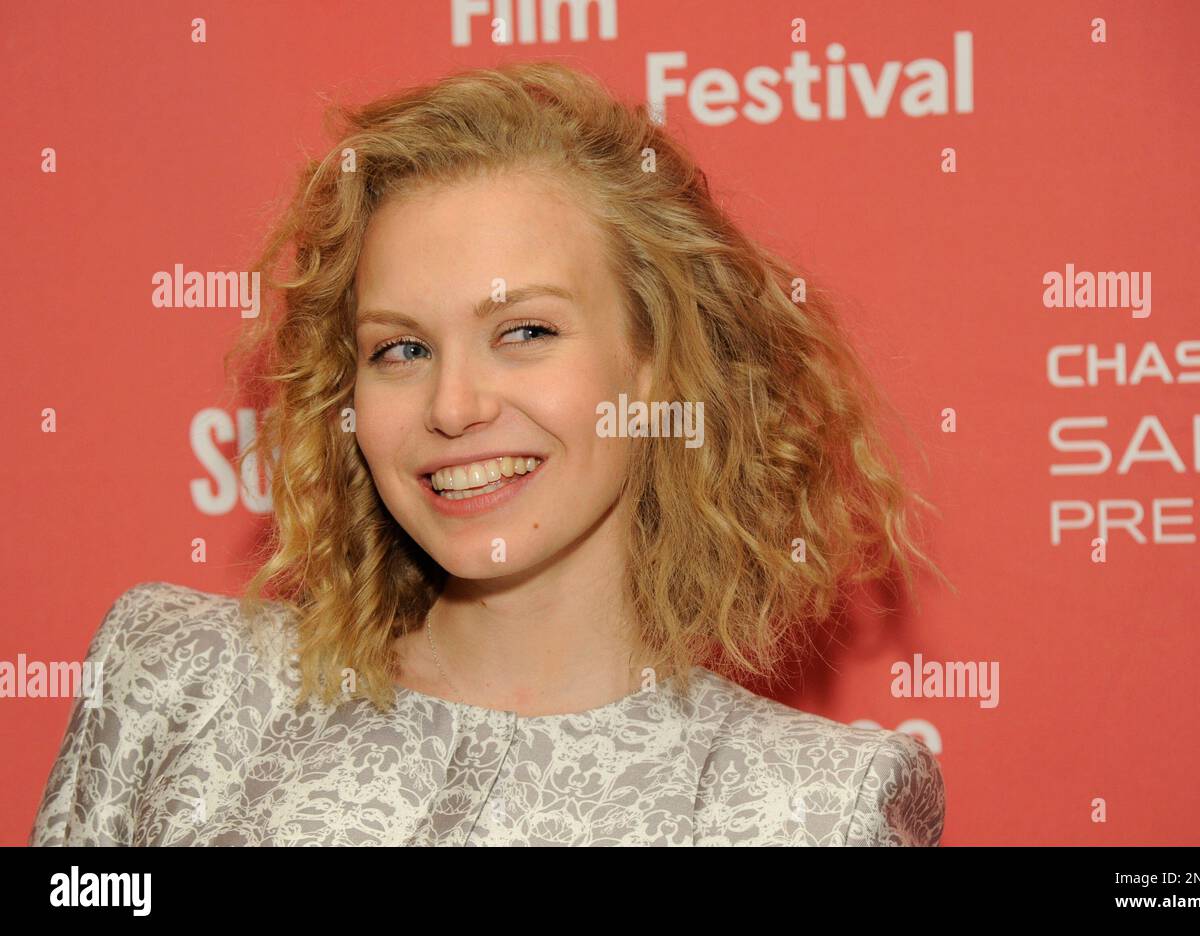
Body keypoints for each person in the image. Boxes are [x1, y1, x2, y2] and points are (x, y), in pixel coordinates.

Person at [30, 61, 948, 846]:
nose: (454, 406)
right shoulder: (178, 682)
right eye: (402, 349)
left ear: (657, 367)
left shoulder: (810, 810)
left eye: (525, 331)